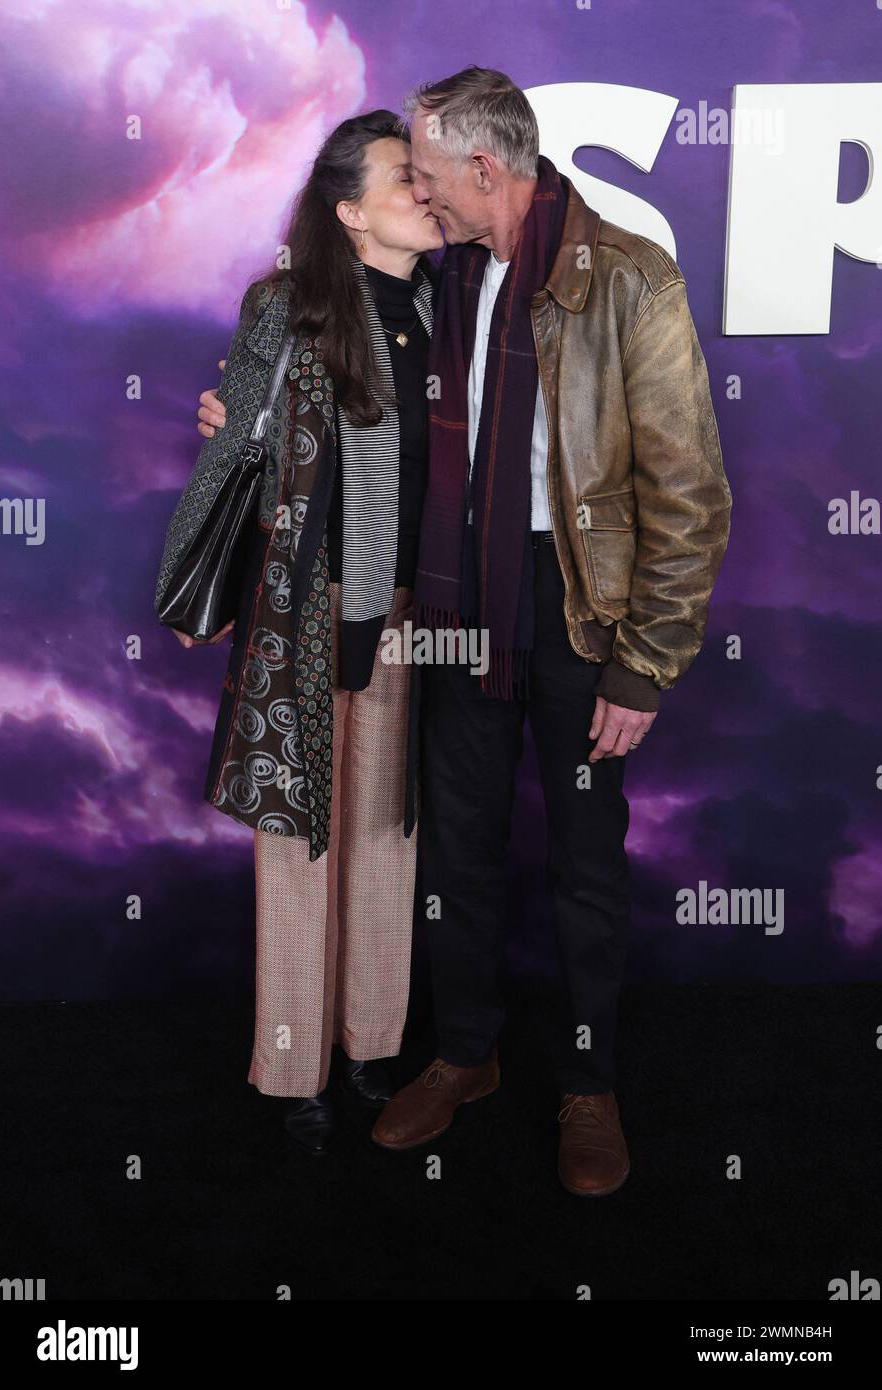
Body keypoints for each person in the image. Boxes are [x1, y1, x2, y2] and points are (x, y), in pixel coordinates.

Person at [365, 68, 732, 1197]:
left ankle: (587, 1082)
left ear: (486, 171)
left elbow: (688, 494)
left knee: (582, 862)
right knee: (458, 848)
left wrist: (645, 662)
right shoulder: (443, 274)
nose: (418, 195)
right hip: (456, 597)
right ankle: (464, 1054)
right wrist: (248, 405)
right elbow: (363, 392)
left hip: (580, 603)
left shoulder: (629, 275)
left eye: (427, 175)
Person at [155, 110, 443, 1156]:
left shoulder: (452, 306)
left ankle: (369, 1047)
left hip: (416, 615)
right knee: (296, 832)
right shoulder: (287, 305)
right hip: (303, 607)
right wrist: (195, 586)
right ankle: (292, 1065)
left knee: (384, 831)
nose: (425, 189)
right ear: (348, 209)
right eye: (403, 177)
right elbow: (233, 440)